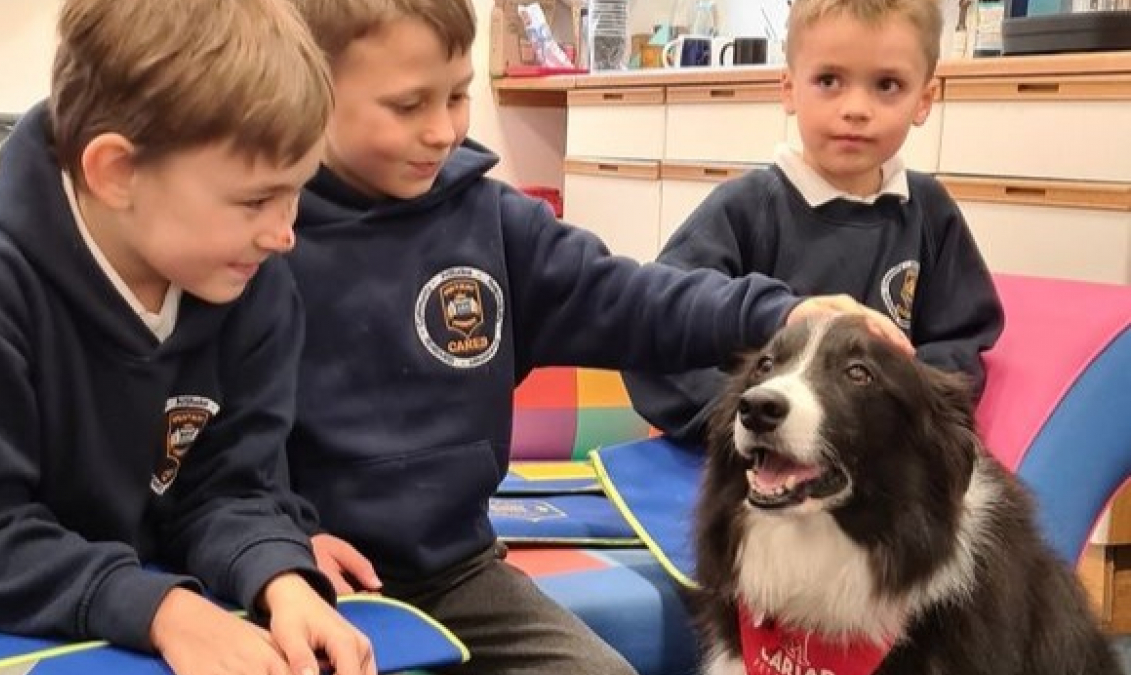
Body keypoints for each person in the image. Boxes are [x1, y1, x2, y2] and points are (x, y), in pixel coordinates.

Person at [280, 1, 910, 674]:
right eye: (408, 106)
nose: (443, 131)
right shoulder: (263, 234)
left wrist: (776, 315)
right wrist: (279, 547)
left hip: (455, 574)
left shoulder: (492, 220)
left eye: (458, 95)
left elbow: (633, 300)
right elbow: (214, 439)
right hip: (306, 572)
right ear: (311, 92)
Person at [0, 2, 374, 675]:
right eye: (256, 200)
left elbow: (231, 486)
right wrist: (160, 610)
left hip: (145, 603)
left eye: (297, 193)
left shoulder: (255, 283)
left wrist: (277, 573)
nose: (285, 232)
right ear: (116, 172)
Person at [624, 0, 1004, 445]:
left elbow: (957, 344)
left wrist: (902, 423)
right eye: (829, 80)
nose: (856, 108)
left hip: (868, 473)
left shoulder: (929, 212)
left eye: (887, 84)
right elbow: (659, 329)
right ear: (788, 88)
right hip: (748, 461)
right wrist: (741, 421)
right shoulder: (745, 208)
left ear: (923, 100)